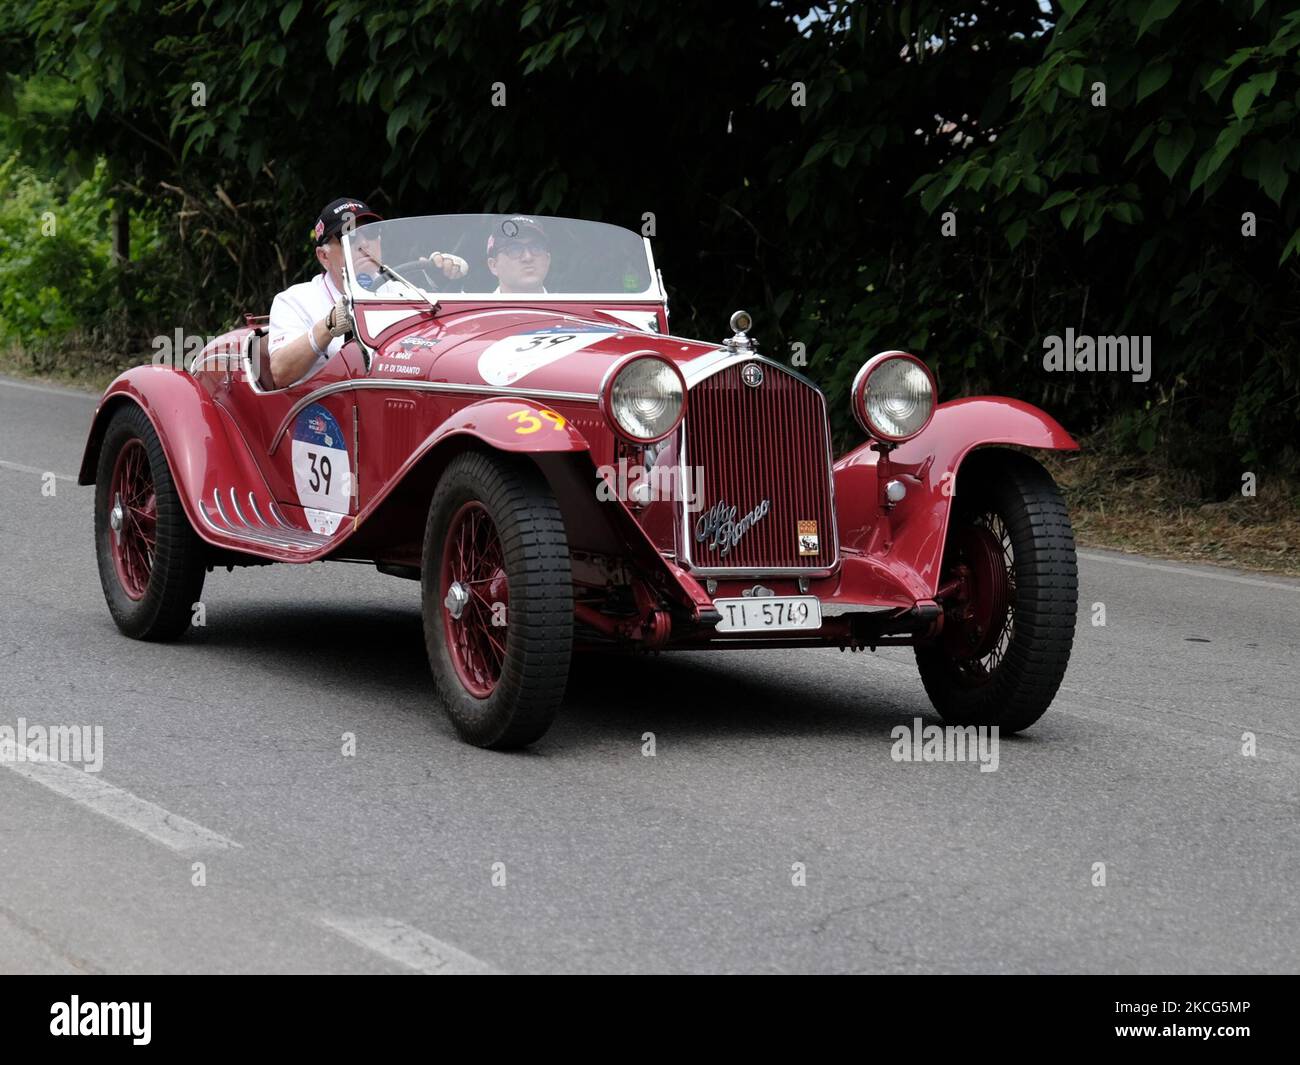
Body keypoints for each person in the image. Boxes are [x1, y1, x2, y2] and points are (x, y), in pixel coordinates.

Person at [266, 198, 468, 388]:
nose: (363, 244)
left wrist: (448, 284)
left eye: (371, 234)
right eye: (349, 237)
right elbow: (280, 372)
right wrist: (328, 326)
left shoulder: (402, 292)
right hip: (324, 415)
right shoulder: (295, 300)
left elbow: (442, 344)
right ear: (324, 256)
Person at [486, 215, 551, 294]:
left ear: (547, 259)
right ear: (493, 265)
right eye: (514, 250)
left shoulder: (569, 303)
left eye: (536, 248)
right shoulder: (471, 305)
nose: (528, 257)